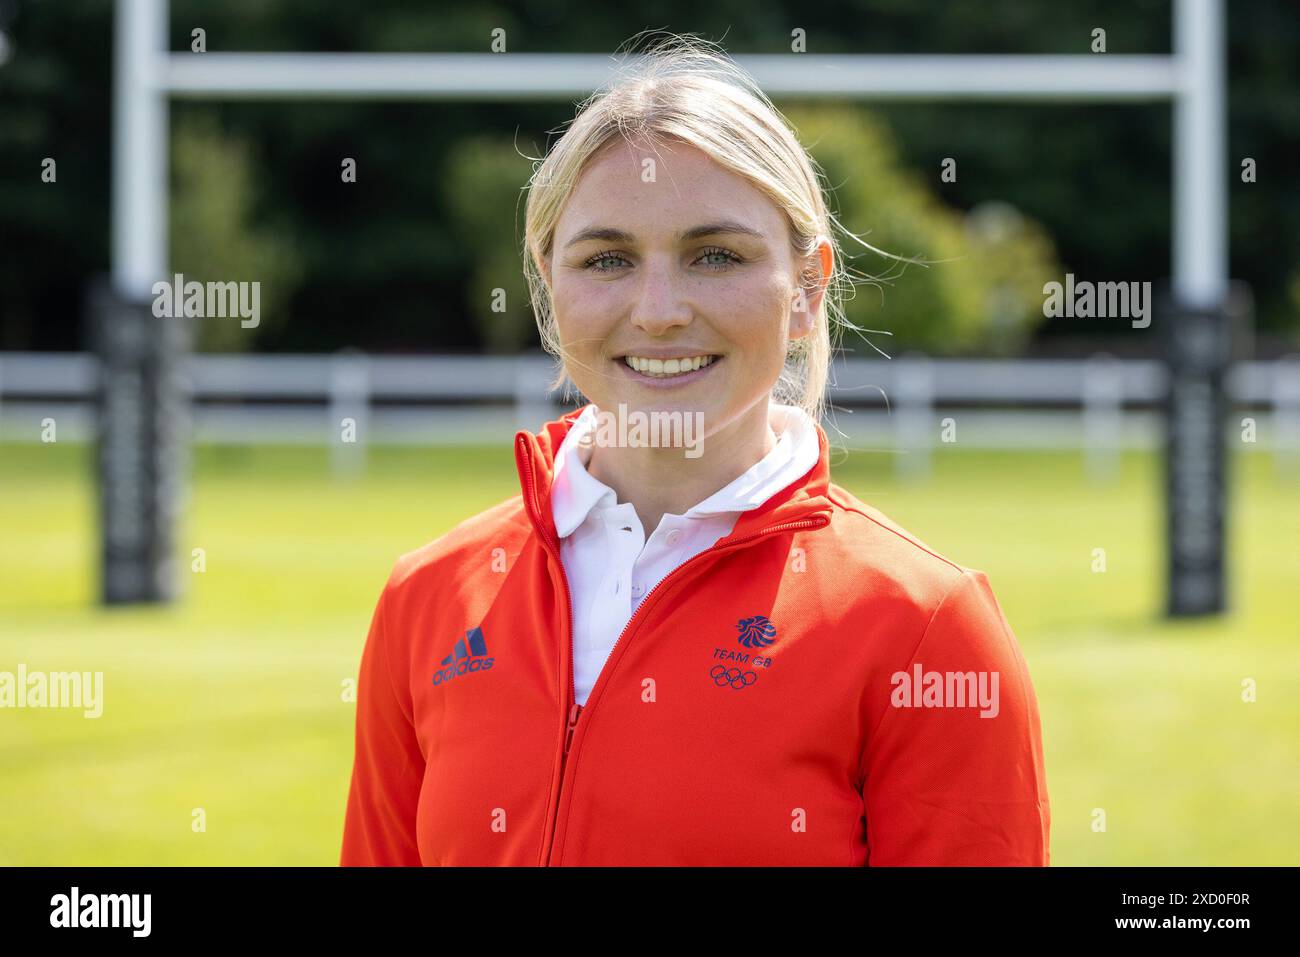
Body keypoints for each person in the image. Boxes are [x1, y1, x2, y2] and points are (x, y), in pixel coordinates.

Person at [341, 34, 1050, 866]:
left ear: (807, 289)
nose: (659, 310)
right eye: (607, 258)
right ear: (547, 283)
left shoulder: (925, 628)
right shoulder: (427, 599)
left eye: (715, 255)